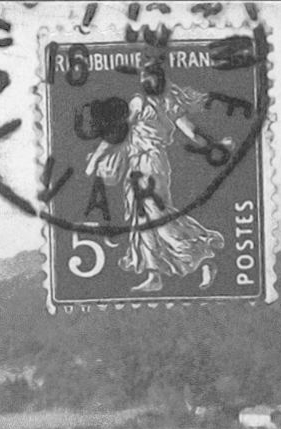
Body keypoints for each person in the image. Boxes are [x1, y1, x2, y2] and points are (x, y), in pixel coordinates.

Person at [76, 76, 237, 292]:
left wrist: (95, 159)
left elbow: (118, 134)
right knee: (142, 216)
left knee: (155, 216)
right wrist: (216, 145)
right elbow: (193, 134)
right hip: (149, 163)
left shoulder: (141, 102)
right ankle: (155, 275)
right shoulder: (170, 104)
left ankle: (200, 256)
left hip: (146, 164)